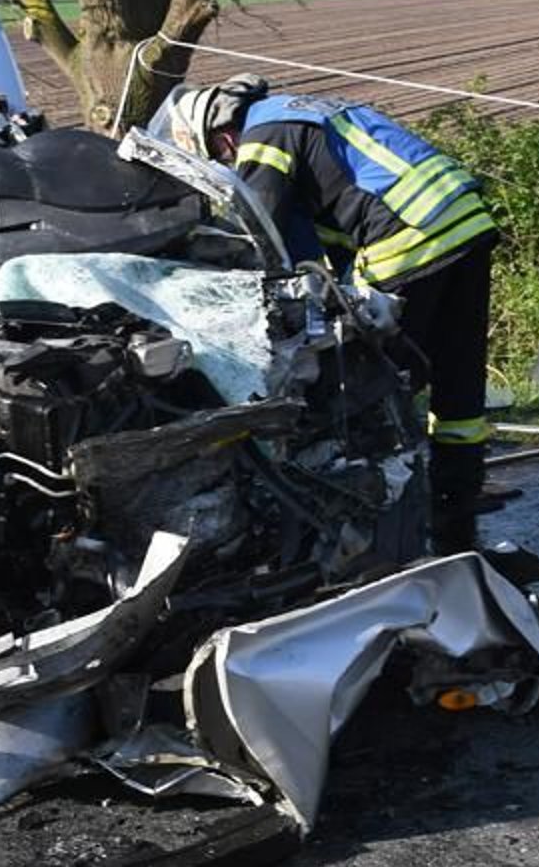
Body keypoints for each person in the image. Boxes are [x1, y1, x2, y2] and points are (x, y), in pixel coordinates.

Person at [163, 75, 501, 545]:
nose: (231, 165)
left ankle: (385, 518)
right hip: (466, 223)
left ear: (222, 138)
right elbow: (319, 247)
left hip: (407, 238)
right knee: (457, 371)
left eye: (222, 160)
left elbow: (257, 234)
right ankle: (456, 514)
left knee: (371, 379)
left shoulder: (262, 138)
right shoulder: (300, 114)